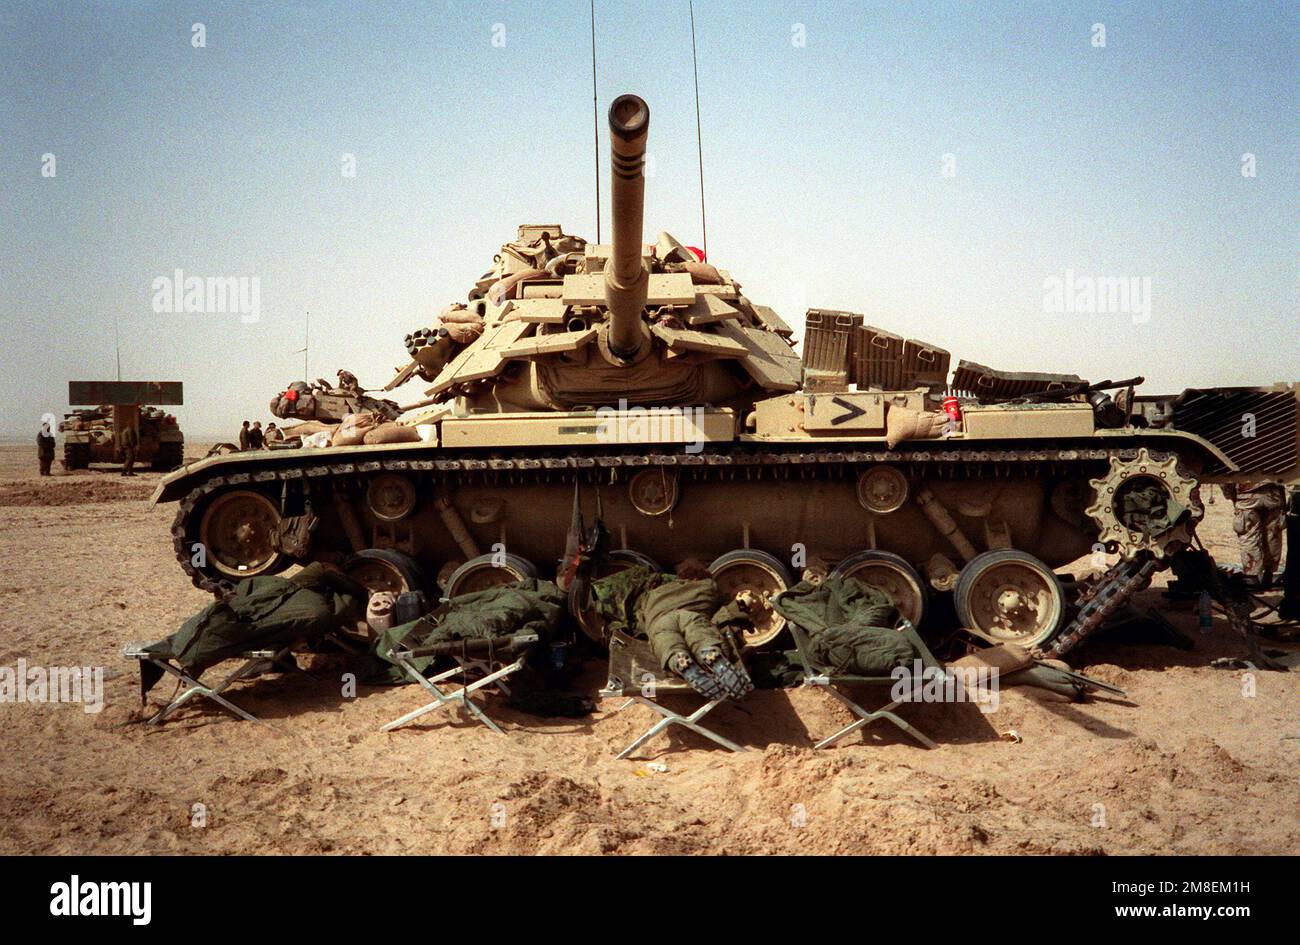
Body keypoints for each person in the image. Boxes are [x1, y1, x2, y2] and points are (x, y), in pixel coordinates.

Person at [1221, 481, 1286, 589]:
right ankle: (1268, 574)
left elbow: (1226, 480)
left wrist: (1231, 496)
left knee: (1248, 536)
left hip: (1246, 496)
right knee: (1272, 535)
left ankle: (1252, 577)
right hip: (1272, 494)